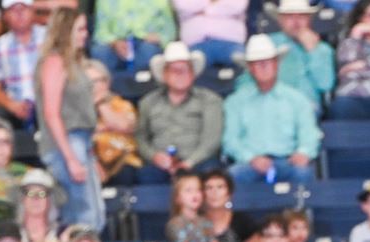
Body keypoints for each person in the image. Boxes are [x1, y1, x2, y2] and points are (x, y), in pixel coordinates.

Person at [222, 33, 322, 190]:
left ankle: (301, 214)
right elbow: (230, 140)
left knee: (302, 173)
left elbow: (309, 132)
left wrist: (303, 152)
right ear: (250, 68)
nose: (263, 67)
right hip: (250, 162)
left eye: (267, 62)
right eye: (257, 63)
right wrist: (251, 158)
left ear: (276, 64)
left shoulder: (296, 99)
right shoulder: (235, 102)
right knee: (234, 175)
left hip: (288, 160)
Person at [37, 7, 106, 232]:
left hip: (81, 142)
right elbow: (51, 112)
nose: (85, 34)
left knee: (94, 216)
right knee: (83, 217)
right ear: (66, 31)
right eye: (80, 29)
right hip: (66, 143)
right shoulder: (55, 62)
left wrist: (89, 155)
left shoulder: (72, 62)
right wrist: (70, 158)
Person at [136, 41, 226, 181]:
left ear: (192, 73)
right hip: (160, 164)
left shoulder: (209, 100)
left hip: (198, 162)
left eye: (185, 69)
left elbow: (211, 141)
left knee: (211, 172)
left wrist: (189, 162)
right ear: (165, 74)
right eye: (174, 70)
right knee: (145, 174)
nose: (180, 74)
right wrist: (154, 156)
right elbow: (141, 138)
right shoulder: (148, 102)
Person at [0, 0, 47, 127]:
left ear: (33, 11)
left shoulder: (50, 37)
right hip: (14, 104)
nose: (19, 14)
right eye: (13, 10)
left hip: (48, 101)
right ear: (5, 16)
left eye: (23, 9)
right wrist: (12, 105)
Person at [88, 59, 143, 184]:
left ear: (107, 82)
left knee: (126, 173)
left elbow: (124, 126)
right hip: (90, 162)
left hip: (122, 161)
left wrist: (101, 103)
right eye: (89, 82)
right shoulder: (77, 110)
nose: (94, 86)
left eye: (99, 81)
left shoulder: (121, 104)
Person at [271, 0, 336, 107]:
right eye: (290, 16)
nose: (296, 22)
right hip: (273, 104)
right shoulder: (267, 44)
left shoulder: (323, 49)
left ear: (309, 19)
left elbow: (325, 85)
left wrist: (313, 51)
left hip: (307, 106)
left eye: (301, 16)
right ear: (280, 20)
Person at [90, 0, 176, 76]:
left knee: (148, 50)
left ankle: (142, 87)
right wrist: (114, 42)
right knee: (99, 52)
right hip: (114, 43)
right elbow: (100, 32)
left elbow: (170, 31)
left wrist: (159, 38)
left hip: (145, 42)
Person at [15, 167, 68, 242]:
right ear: (22, 199)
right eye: (30, 193)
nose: (36, 199)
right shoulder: (10, 231)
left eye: (42, 194)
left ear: (50, 201)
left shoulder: (62, 232)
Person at [174, 0, 249, 71]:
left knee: (247, 66)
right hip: (196, 43)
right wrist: (216, 4)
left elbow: (237, 6)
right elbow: (184, 5)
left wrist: (204, 10)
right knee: (186, 70)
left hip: (232, 42)